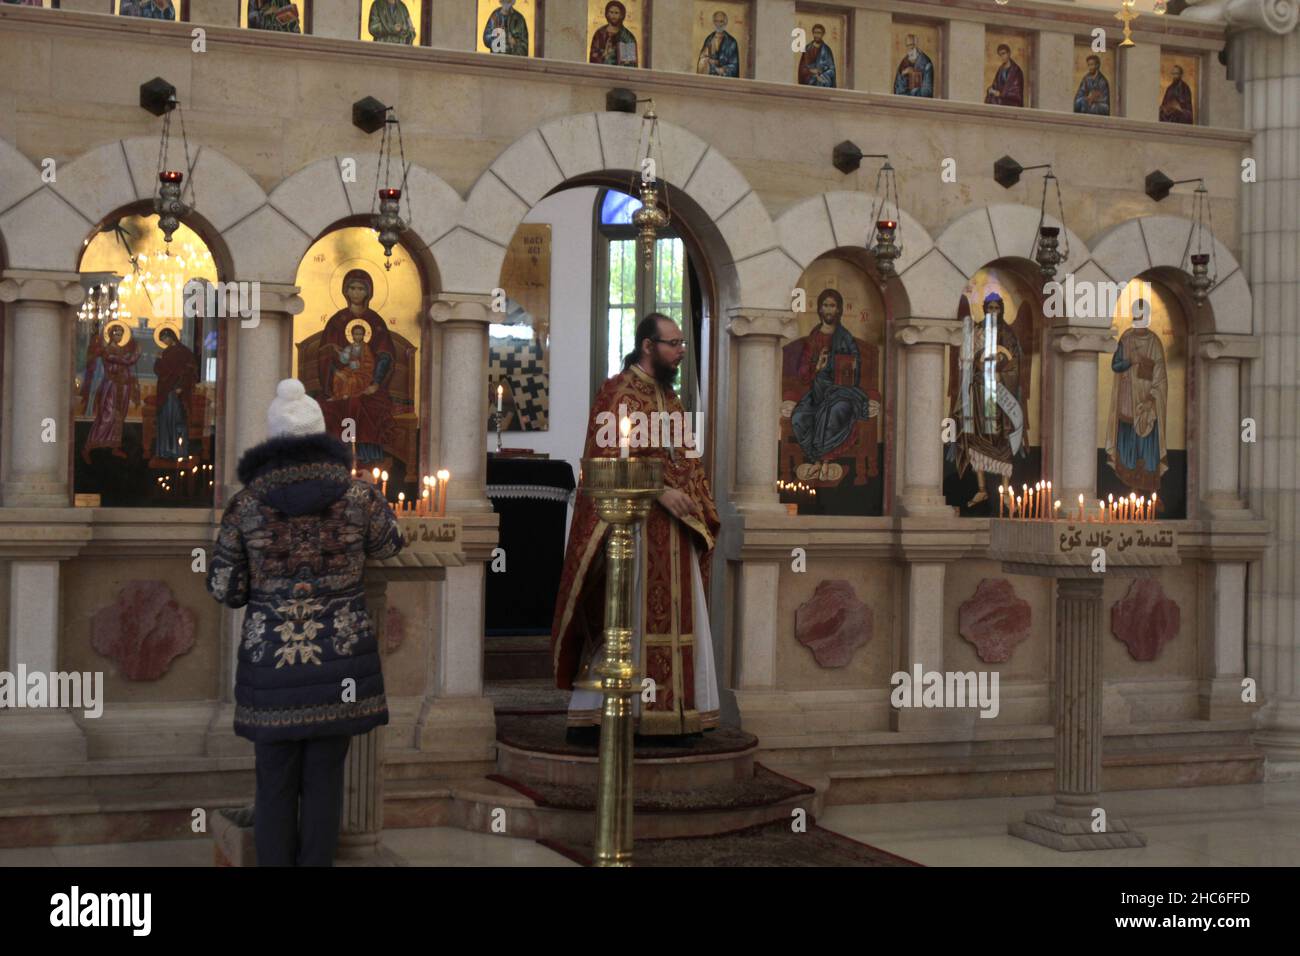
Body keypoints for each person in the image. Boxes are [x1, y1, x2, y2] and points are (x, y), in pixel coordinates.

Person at [206, 378, 402, 866]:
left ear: (273, 442)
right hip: (339, 662)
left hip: (272, 666)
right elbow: (390, 545)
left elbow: (224, 588)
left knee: (272, 783)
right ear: (322, 436)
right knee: (325, 779)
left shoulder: (246, 504)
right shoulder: (358, 495)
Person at [552, 314, 721, 738]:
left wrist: (693, 503)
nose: (681, 351)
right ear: (648, 345)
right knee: (625, 615)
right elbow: (604, 464)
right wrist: (659, 491)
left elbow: (686, 462)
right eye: (673, 343)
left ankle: (677, 715)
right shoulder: (617, 394)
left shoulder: (672, 399)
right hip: (633, 531)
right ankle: (605, 716)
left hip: (676, 534)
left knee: (682, 617)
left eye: (683, 343)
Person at [789, 289, 879, 482]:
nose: (829, 310)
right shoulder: (813, 338)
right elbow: (803, 372)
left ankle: (824, 461)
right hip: (818, 390)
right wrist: (817, 367)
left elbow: (855, 370)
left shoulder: (846, 338)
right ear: (820, 309)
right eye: (825, 305)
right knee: (799, 416)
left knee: (832, 412)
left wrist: (842, 370)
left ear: (839, 310)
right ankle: (818, 461)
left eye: (832, 306)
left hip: (843, 392)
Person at [947, 292, 1027, 508]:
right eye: (989, 308)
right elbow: (966, 362)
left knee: (1003, 440)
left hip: (1001, 398)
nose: (993, 312)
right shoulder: (977, 332)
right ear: (984, 310)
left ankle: (1006, 491)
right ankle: (981, 490)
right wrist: (976, 368)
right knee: (976, 440)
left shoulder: (1008, 335)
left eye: (996, 308)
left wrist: (1003, 374)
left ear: (1001, 310)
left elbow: (1015, 366)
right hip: (979, 395)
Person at [315, 270, 397, 468]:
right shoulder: (337, 321)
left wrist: (376, 383)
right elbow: (326, 353)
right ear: (345, 291)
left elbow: (385, 355)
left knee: (369, 405)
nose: (356, 292)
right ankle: (337, 452)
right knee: (337, 403)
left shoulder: (376, 322)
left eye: (361, 288)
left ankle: (367, 453)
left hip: (368, 380)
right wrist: (336, 369)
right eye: (352, 288)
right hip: (342, 378)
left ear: (368, 292)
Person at [1105, 303, 1168, 493]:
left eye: (1143, 314)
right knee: (1128, 448)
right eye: (1136, 314)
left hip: (1147, 404)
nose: (1139, 317)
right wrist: (1130, 361)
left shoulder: (1154, 342)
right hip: (1127, 401)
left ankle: (1152, 493)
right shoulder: (1126, 338)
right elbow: (1115, 365)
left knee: (1147, 449)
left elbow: (1161, 376)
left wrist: (1152, 398)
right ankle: (1132, 491)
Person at [82, 321, 141, 464]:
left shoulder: (122, 350)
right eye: (116, 333)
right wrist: (136, 353)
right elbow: (125, 361)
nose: (119, 336)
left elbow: (127, 363)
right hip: (111, 387)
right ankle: (88, 447)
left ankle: (115, 446)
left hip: (123, 387)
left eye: (121, 334)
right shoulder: (107, 350)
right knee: (106, 416)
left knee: (119, 417)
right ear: (110, 335)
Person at [153, 325, 198, 460]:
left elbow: (190, 370)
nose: (164, 342)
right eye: (162, 340)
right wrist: (158, 359)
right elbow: (159, 371)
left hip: (177, 392)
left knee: (177, 420)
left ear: (171, 336)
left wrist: (181, 386)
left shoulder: (184, 352)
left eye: (164, 339)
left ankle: (178, 451)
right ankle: (165, 451)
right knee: (165, 421)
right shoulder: (165, 353)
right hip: (166, 392)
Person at [589, 0, 637, 67]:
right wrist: (604, 54)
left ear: (621, 15)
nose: (613, 15)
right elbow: (593, 56)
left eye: (616, 13)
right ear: (607, 14)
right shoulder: (599, 33)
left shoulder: (627, 36)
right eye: (611, 12)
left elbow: (630, 63)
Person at [696, 10, 739, 77]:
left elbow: (734, 67)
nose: (718, 24)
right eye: (716, 21)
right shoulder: (709, 39)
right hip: (710, 76)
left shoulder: (731, 42)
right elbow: (702, 58)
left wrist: (721, 69)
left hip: (725, 80)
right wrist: (707, 61)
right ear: (713, 22)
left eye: (721, 21)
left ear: (725, 22)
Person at [797, 24, 835, 88]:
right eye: (815, 32)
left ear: (823, 34)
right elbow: (802, 68)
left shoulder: (827, 50)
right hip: (809, 80)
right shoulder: (807, 48)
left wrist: (822, 75)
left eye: (819, 33)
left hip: (822, 80)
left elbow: (831, 69)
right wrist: (811, 71)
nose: (816, 35)